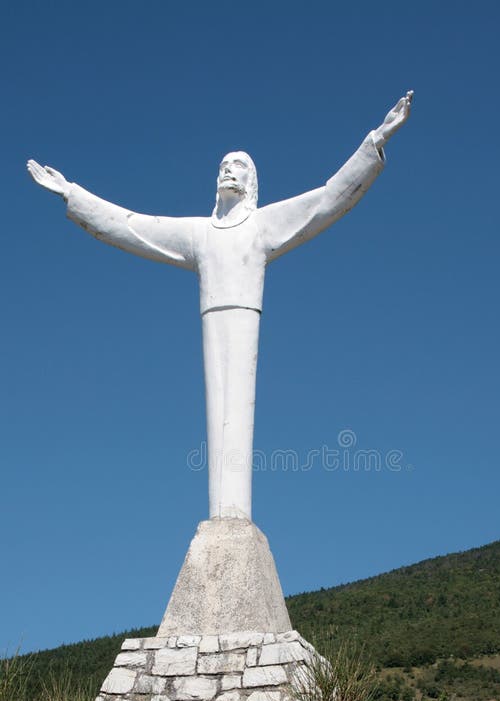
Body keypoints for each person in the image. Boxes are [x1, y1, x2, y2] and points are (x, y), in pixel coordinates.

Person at [27, 91, 413, 521]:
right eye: (223, 165)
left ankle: (235, 516)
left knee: (239, 416)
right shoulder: (199, 234)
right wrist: (72, 195)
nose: (228, 170)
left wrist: (375, 141)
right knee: (217, 416)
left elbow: (327, 199)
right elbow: (133, 227)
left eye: (238, 165)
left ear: (251, 181)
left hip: (245, 316)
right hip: (212, 318)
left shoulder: (263, 226)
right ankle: (221, 517)